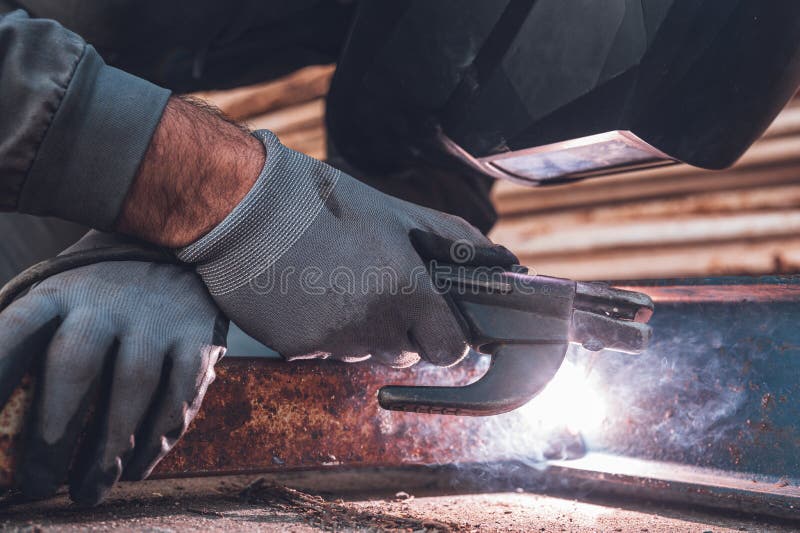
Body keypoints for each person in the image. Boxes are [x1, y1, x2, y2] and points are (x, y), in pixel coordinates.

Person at [0, 3, 515, 504]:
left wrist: (187, 248)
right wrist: (225, 196)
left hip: (80, 120)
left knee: (74, 383)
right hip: (33, 125)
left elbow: (419, 148)